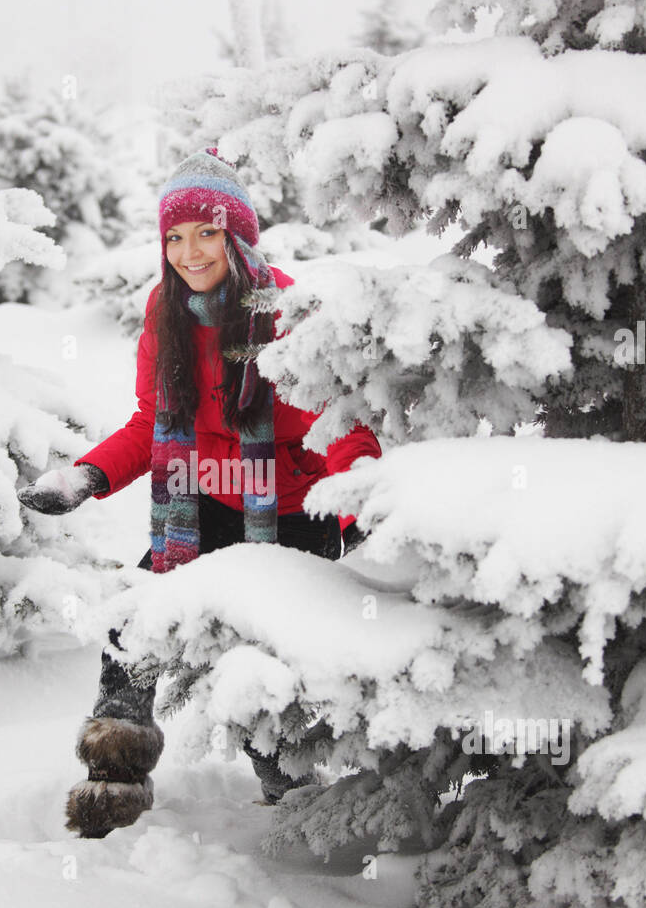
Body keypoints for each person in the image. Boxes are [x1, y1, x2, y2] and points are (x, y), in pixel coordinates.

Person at [19, 147, 380, 838]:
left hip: (291, 517)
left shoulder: (284, 313)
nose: (189, 252)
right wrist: (86, 477)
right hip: (202, 512)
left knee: (256, 657)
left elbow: (341, 421)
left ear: (237, 236)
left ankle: (296, 798)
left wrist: (358, 498)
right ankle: (114, 783)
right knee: (132, 623)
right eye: (174, 238)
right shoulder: (167, 313)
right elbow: (150, 422)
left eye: (205, 233)